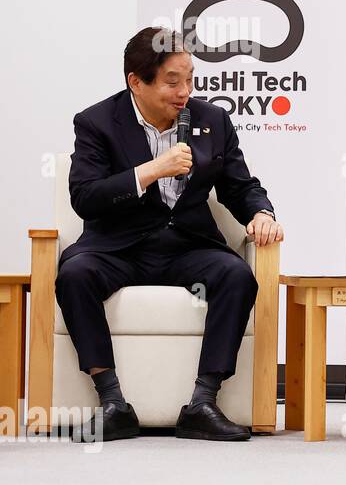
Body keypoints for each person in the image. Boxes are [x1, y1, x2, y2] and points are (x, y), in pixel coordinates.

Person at [55, 27, 284, 442]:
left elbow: (239, 185)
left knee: (236, 275)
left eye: (189, 79)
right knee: (74, 273)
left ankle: (202, 404)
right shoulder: (96, 122)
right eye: (172, 81)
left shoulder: (212, 120)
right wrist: (151, 170)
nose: (184, 91)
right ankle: (112, 404)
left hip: (186, 249)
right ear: (136, 83)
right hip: (119, 248)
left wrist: (262, 213)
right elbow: (85, 197)